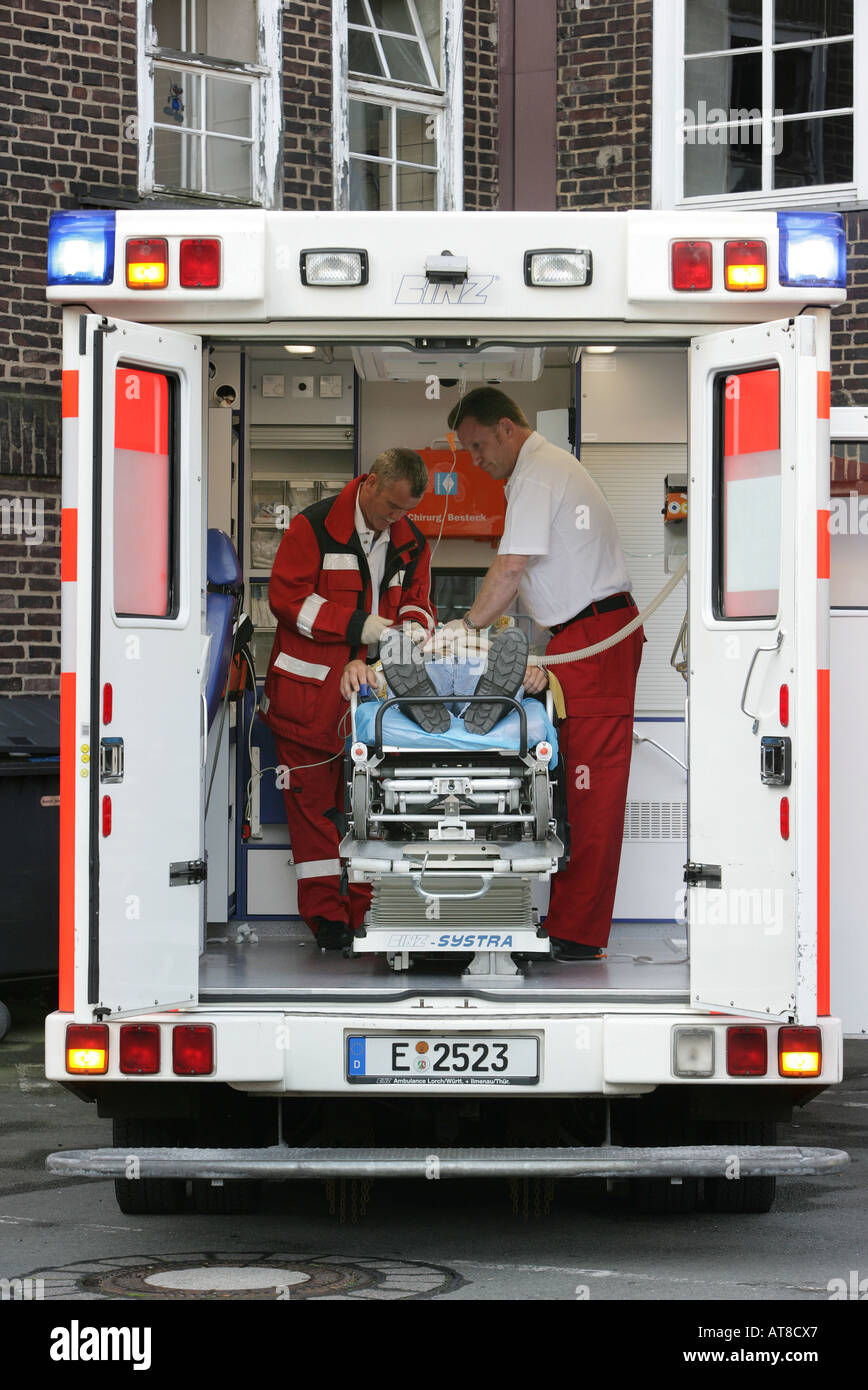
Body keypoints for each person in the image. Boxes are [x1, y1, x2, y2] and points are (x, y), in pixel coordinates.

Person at [445, 387, 643, 962]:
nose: (475, 460)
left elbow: (509, 569)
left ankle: (577, 935)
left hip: (596, 641)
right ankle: (567, 921)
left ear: (508, 429)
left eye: (479, 446)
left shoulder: (536, 473)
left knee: (592, 789)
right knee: (570, 785)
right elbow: (532, 581)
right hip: (580, 637)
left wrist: (464, 628)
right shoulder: (542, 473)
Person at [259, 448, 436, 950]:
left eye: (406, 511)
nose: (397, 519)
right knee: (313, 811)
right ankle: (327, 920)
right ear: (373, 483)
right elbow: (287, 599)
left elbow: (421, 603)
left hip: (375, 698)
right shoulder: (312, 528)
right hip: (308, 700)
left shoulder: (411, 541)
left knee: (371, 807)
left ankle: (368, 912)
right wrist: (361, 625)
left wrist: (408, 634)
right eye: (392, 508)